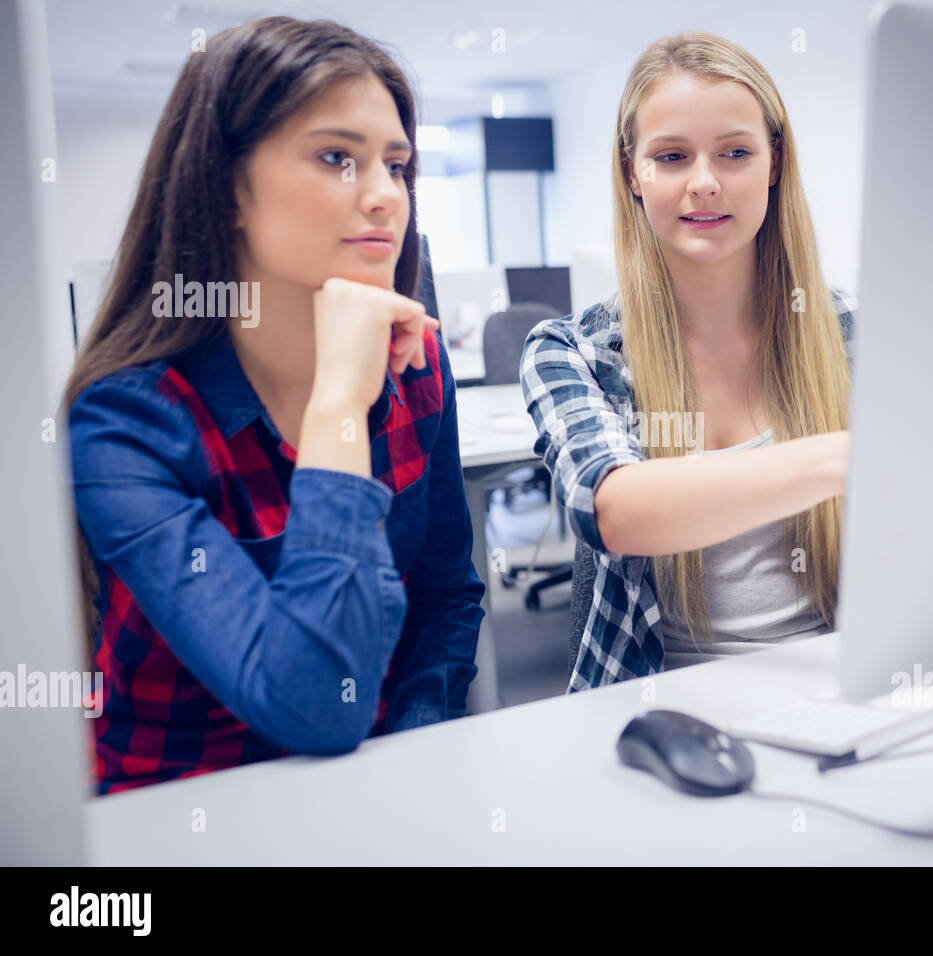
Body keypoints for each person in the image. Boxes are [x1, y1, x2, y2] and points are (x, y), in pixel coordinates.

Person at [64, 17, 484, 794]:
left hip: (371, 785)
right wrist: (339, 410)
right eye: (337, 158)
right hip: (176, 809)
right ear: (226, 188)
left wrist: (418, 756)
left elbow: (445, 598)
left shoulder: (418, 369)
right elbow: (314, 702)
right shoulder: (125, 424)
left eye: (397, 165)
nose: (386, 196)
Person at [521, 31, 853, 691]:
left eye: (735, 152)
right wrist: (839, 457)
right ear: (632, 174)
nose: (705, 183)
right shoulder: (570, 351)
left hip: (839, 689)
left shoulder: (850, 332)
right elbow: (615, 512)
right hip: (658, 710)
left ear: (774, 163)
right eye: (671, 156)